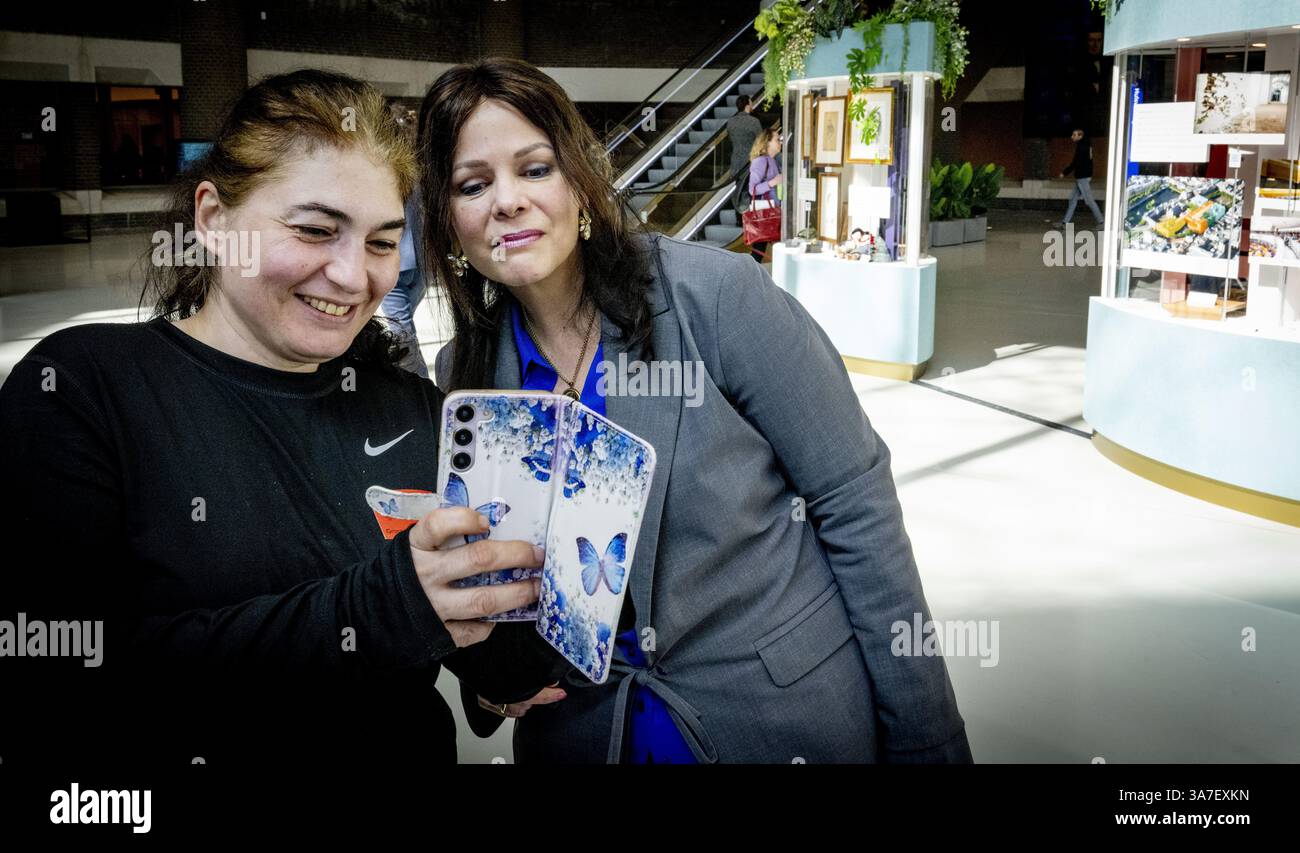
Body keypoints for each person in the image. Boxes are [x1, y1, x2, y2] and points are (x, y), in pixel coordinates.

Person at [0, 69, 564, 772]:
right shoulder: (82, 389)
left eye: (383, 242)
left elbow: (485, 663)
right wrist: (376, 609)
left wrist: (546, 600)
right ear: (212, 218)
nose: (354, 275)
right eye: (316, 230)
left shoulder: (414, 410)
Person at [419, 58, 972, 764]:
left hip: (777, 718)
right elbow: (484, 579)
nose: (507, 201)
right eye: (474, 184)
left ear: (581, 185)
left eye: (535, 169)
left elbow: (855, 504)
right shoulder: (464, 379)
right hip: (589, 735)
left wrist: (929, 742)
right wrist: (492, 684)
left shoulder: (714, 297)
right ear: (449, 221)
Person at [747, 126, 784, 260]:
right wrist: (772, 182)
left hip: (773, 210)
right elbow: (752, 189)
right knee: (758, 251)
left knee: (761, 249)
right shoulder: (760, 161)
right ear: (767, 142)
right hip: (765, 212)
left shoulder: (773, 160)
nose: (780, 142)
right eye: (777, 140)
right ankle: (750, 276)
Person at [1057, 127, 1103, 227]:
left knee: (1089, 201)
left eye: (1074, 135)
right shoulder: (1086, 145)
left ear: (1080, 136)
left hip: (1082, 177)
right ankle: (1065, 222)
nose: (1072, 137)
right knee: (1073, 200)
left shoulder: (1082, 147)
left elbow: (1075, 162)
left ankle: (1101, 222)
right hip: (1083, 177)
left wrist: (1064, 173)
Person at [725, 94, 762, 210]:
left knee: (739, 189)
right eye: (751, 102)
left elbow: (731, 139)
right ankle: (748, 215)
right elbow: (760, 141)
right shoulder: (753, 122)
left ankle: (738, 214)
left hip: (736, 162)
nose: (752, 105)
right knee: (751, 190)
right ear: (747, 105)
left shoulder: (731, 122)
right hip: (750, 163)